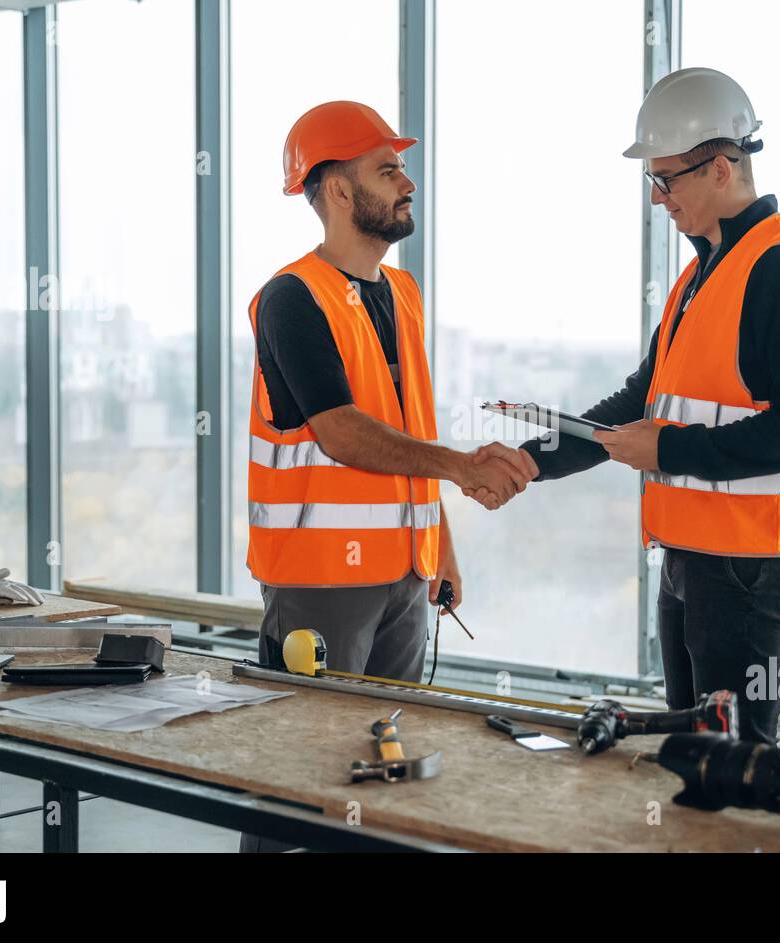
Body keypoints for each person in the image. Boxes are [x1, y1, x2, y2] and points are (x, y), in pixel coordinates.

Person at [472, 68, 780, 745]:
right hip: (693, 557)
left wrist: (669, 449)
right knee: (691, 759)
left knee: (729, 766)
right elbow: (637, 405)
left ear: (721, 167)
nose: (657, 199)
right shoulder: (703, 274)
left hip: (748, 566)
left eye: (666, 179)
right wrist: (533, 459)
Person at [240, 101, 529, 853]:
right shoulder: (291, 297)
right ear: (337, 190)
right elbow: (340, 431)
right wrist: (463, 468)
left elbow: (408, 430)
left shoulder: (401, 293)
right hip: (319, 585)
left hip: (403, 575)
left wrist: (441, 547)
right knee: (303, 781)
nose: (408, 182)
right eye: (387, 169)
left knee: (380, 768)